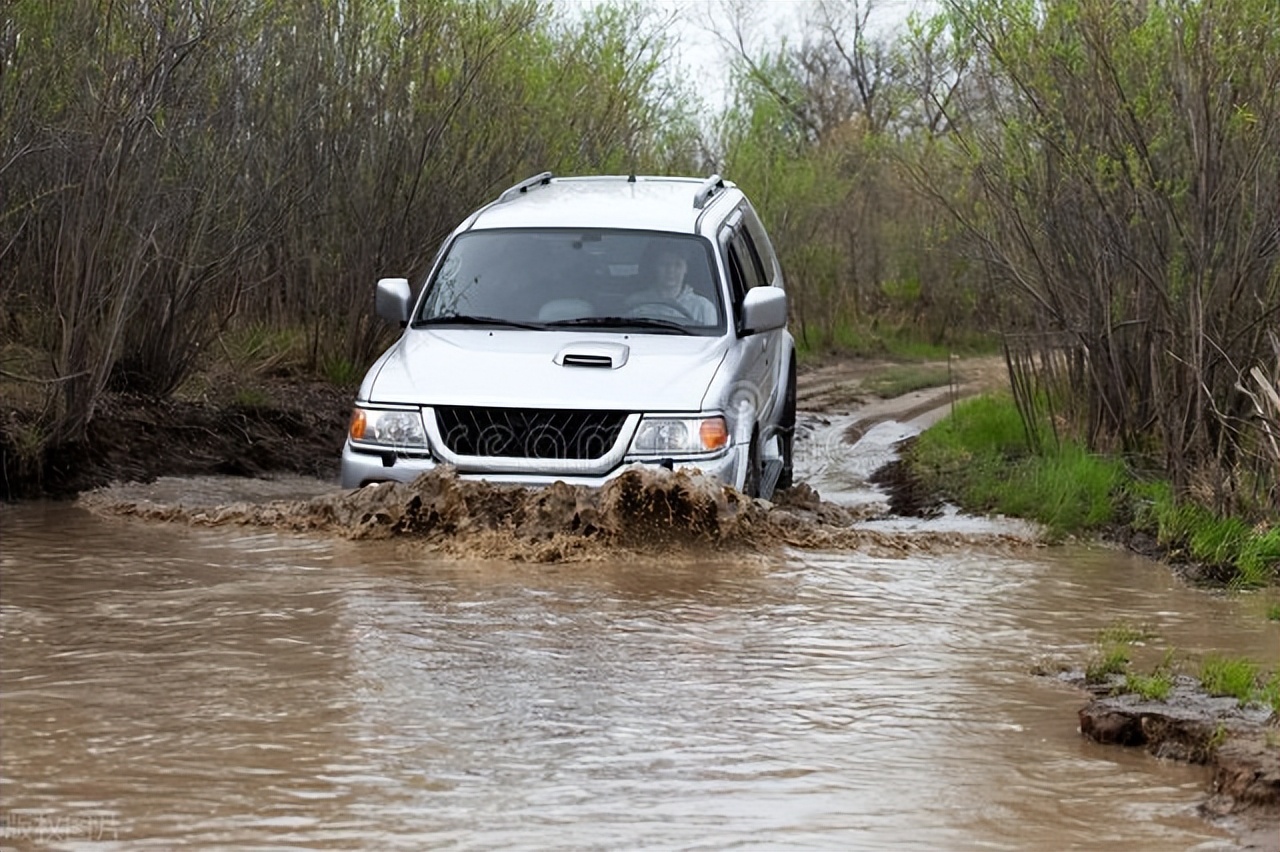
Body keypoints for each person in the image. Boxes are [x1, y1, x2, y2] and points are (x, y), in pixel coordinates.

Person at [626, 248, 717, 324]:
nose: (671, 270)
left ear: (686, 269)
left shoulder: (703, 307)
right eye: (665, 264)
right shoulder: (636, 303)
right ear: (655, 268)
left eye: (678, 265)